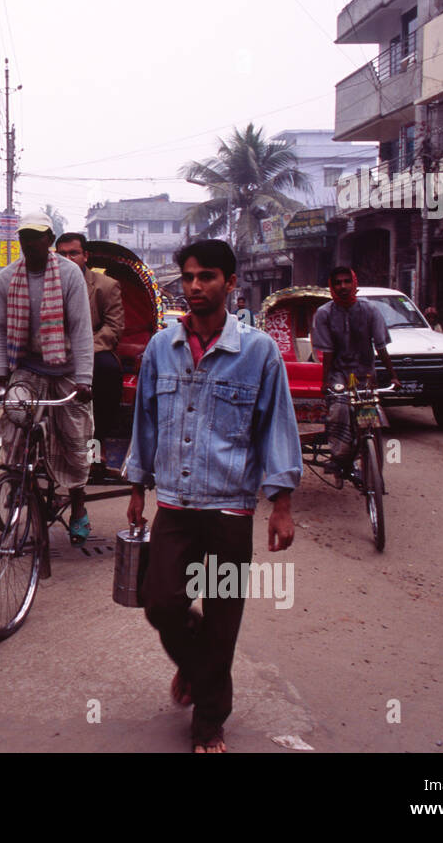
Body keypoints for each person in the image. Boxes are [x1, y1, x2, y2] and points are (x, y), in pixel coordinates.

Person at [125, 239, 301, 754]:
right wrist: (137, 487)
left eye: (207, 277)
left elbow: (277, 428)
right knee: (160, 604)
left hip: (229, 508)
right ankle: (199, 667)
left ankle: (208, 724)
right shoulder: (162, 347)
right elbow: (146, 422)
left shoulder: (258, 352)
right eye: (189, 277)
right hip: (176, 504)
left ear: (230, 284)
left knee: (223, 619)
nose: (196, 286)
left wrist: (282, 504)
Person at [0, 212, 95, 543]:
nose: (29, 243)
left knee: (76, 439)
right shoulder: (5, 279)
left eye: (36, 237)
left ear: (48, 239)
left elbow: (81, 329)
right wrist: (2, 379)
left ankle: (78, 505)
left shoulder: (69, 274)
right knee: (15, 421)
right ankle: (17, 485)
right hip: (28, 367)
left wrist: (85, 380)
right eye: (24, 237)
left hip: (66, 368)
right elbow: (1, 335)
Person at [311, 267, 401, 485]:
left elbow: (380, 347)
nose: (343, 287)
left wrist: (393, 377)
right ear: (332, 286)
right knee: (340, 408)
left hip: (365, 373)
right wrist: (325, 383)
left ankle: (367, 457)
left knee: (368, 414)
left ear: (354, 283)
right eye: (338, 283)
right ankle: (339, 457)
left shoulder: (370, 311)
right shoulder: (324, 313)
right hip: (339, 374)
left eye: (346, 282)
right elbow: (328, 352)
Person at [55, 232, 125, 447]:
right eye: (62, 254)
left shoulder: (106, 285)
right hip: (53, 348)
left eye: (73, 253)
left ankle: (97, 442)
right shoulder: (47, 284)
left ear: (85, 256)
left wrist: (82, 350)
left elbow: (113, 327)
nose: (68, 259)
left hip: (92, 349)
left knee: (108, 369)